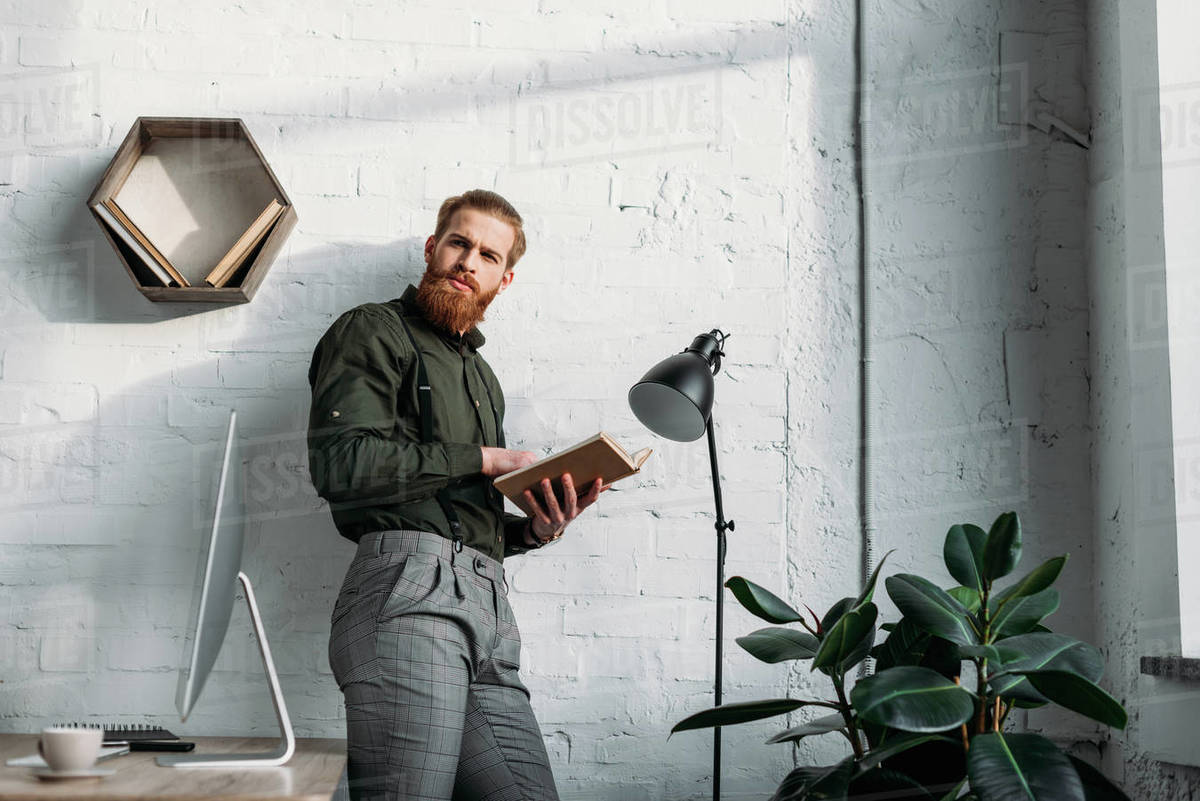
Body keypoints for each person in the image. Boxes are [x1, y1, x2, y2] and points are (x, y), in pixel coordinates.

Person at [307, 189, 602, 801]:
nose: (469, 261)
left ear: (505, 277)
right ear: (432, 248)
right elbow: (341, 464)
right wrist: (488, 458)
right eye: (459, 243)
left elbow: (463, 514)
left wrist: (534, 529)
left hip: (489, 608)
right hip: (409, 596)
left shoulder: (482, 379)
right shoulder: (374, 328)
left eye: (488, 255)